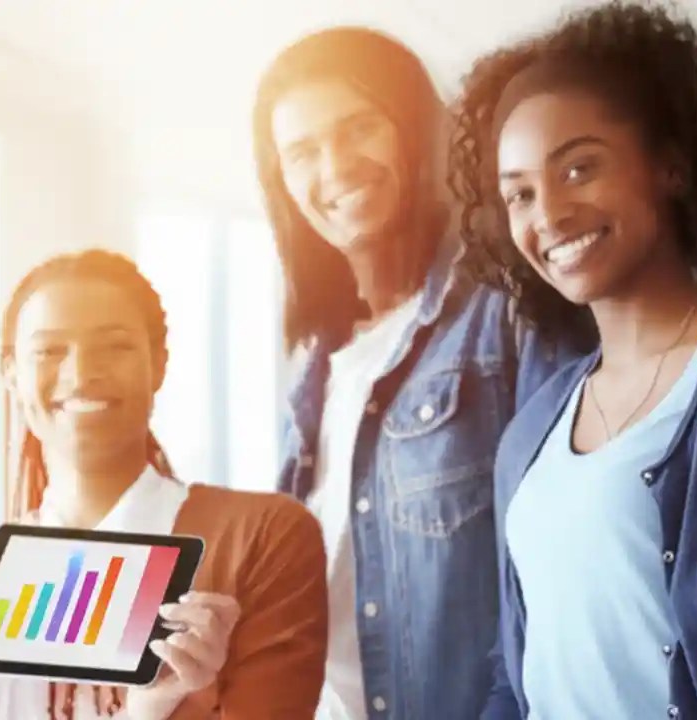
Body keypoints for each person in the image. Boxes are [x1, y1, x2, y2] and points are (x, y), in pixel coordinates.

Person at [447, 2, 697, 718]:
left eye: (579, 168)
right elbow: (513, 677)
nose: (549, 213)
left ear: (669, 166)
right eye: (519, 193)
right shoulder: (530, 433)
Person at [251, 26, 587, 720]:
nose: (335, 166)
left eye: (358, 128)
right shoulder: (314, 367)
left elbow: (571, 568)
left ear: (415, 130)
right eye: (302, 152)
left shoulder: (508, 308)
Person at [0, 249, 328, 720]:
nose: (81, 375)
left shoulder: (259, 539)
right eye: (49, 351)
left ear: (159, 364)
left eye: (114, 346)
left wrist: (165, 705)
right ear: (11, 374)